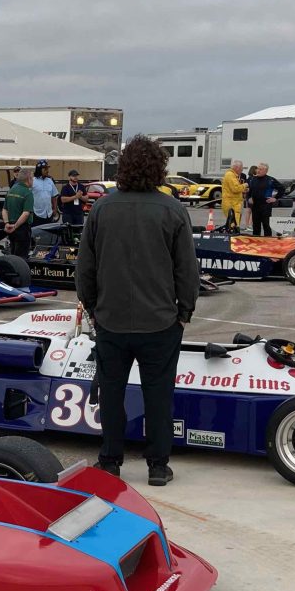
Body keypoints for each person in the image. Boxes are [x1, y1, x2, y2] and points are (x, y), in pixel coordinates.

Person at [76, 136, 199, 487]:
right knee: (159, 395)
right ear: (159, 168)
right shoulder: (172, 209)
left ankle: (111, 459)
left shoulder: (102, 208)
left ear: (124, 167)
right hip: (159, 321)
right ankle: (158, 465)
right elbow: (186, 270)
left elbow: (85, 266)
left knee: (112, 392)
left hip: (111, 320)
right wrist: (184, 311)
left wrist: (93, 308)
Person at [2, 166, 36, 259]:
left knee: (12, 254)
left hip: (10, 228)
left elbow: (4, 209)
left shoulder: (11, 190)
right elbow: (25, 213)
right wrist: (16, 226)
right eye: (32, 178)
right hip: (22, 229)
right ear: (28, 179)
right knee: (21, 258)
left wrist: (6, 223)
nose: (33, 181)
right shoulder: (28, 193)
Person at [247, 161, 279, 236]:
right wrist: (249, 198)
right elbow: (249, 192)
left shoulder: (270, 180)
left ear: (266, 171)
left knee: (266, 226)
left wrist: (275, 198)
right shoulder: (253, 179)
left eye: (260, 169)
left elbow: (282, 189)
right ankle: (255, 243)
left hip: (266, 207)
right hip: (255, 207)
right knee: (256, 227)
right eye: (258, 168)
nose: (258, 170)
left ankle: (268, 243)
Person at [221, 159, 248, 231]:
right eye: (241, 168)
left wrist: (242, 190)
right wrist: (245, 185)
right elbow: (235, 189)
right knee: (234, 226)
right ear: (237, 168)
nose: (242, 170)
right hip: (232, 204)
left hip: (234, 203)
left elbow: (234, 188)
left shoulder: (232, 175)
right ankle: (233, 239)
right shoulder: (230, 175)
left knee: (234, 224)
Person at [31, 160, 59, 225]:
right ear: (39, 169)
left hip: (49, 214)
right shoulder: (32, 181)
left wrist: (55, 209)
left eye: (47, 168)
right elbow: (27, 197)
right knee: (36, 234)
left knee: (48, 234)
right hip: (36, 214)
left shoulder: (50, 181)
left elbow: (54, 196)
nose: (47, 171)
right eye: (45, 169)